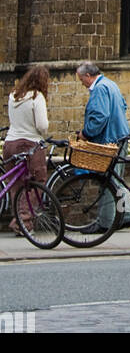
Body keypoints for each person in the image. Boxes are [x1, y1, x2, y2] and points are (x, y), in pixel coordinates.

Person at [76, 62, 130, 229]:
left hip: (110, 140)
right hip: (121, 136)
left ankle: (104, 223)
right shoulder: (111, 84)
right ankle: (126, 216)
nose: (82, 83)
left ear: (88, 76)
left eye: (82, 80)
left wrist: (85, 133)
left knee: (107, 181)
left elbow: (100, 117)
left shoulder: (100, 88)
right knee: (118, 179)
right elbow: (123, 105)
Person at [4, 65, 50, 234]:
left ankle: (18, 219)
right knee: (36, 182)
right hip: (29, 144)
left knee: (15, 184)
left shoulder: (13, 95)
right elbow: (42, 125)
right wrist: (45, 133)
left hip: (10, 144)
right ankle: (23, 222)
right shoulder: (37, 98)